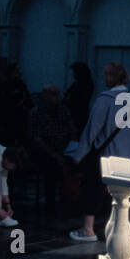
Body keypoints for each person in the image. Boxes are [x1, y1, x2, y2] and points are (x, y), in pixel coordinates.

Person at [69, 61, 130, 242]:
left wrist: (78, 156)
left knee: (92, 188)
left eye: (106, 75)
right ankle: (120, 228)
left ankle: (88, 230)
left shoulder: (105, 100)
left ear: (111, 77)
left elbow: (92, 130)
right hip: (129, 155)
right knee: (123, 194)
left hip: (107, 154)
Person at [28, 84, 76, 212]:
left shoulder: (63, 110)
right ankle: (51, 205)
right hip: (44, 151)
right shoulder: (36, 113)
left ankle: (71, 199)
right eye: (53, 95)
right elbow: (36, 139)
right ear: (45, 96)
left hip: (63, 148)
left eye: (57, 94)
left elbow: (72, 130)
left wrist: (72, 146)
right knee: (51, 166)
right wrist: (55, 155)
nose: (57, 98)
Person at [63, 62, 95, 134]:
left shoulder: (84, 85)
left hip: (77, 116)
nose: (74, 74)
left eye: (75, 72)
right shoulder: (78, 84)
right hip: (78, 115)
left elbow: (76, 100)